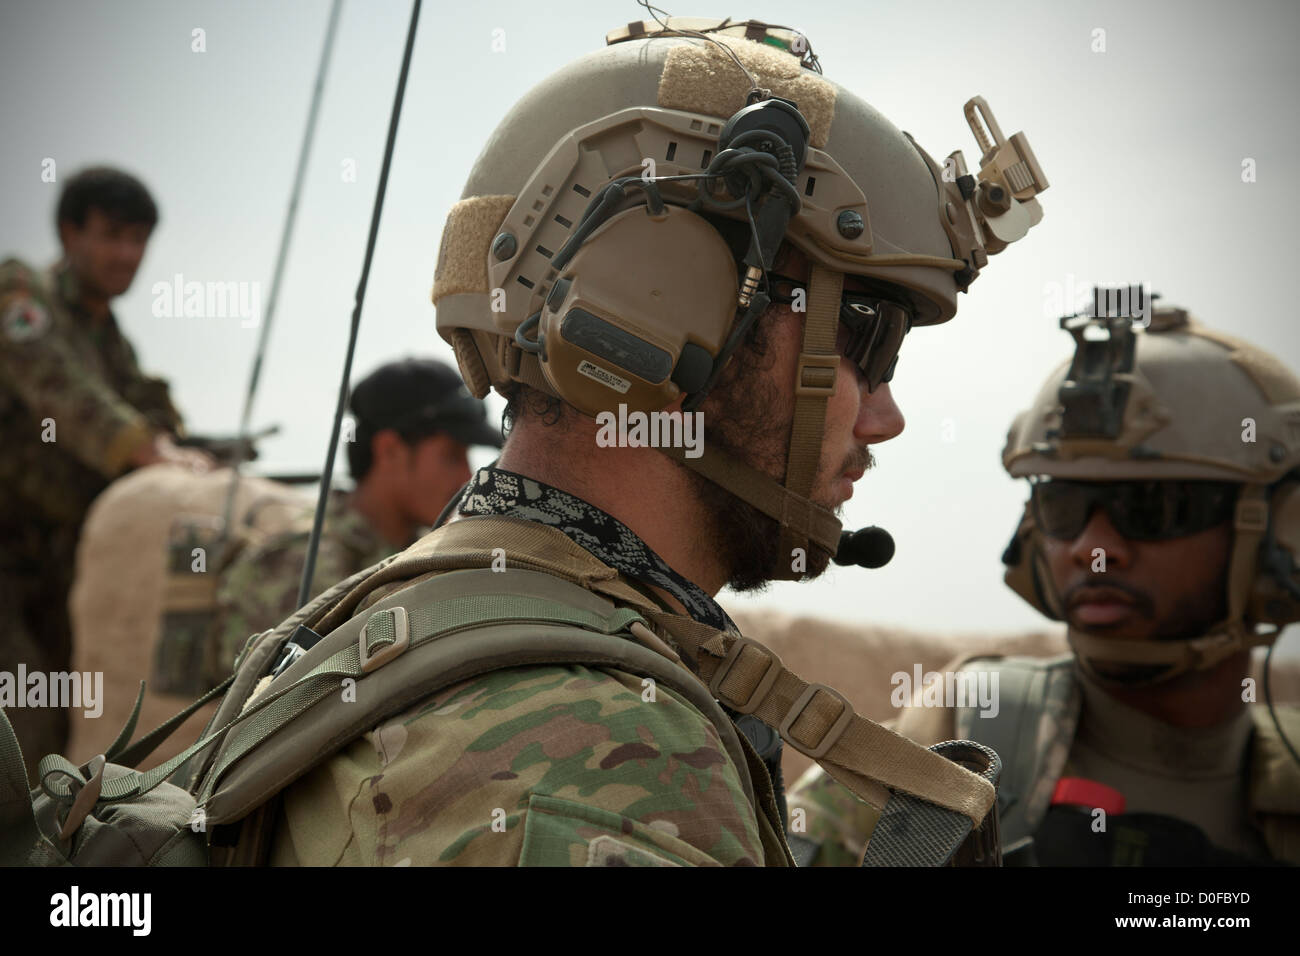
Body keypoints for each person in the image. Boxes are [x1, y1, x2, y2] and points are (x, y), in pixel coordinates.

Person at [214, 17, 1047, 866]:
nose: (886, 416)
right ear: (667, 306)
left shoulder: (398, 621)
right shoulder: (600, 750)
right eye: (868, 339)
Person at [787, 302, 1300, 866]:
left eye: (1151, 507)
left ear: (1279, 529)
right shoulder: (955, 751)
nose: (1092, 547)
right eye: (1064, 505)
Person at [0, 166, 208, 782]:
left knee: (70, 728)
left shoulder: (108, 338)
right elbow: (60, 390)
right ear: (70, 232)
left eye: (139, 239)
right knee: (22, 727)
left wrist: (186, 448)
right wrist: (150, 451)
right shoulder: (22, 294)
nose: (128, 254)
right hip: (6, 558)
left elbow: (143, 405)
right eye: (113, 235)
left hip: (62, 565)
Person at [204, 357, 502, 687]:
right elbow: (266, 708)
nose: (466, 475)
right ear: (389, 450)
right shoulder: (301, 562)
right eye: (450, 455)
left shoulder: (428, 552)